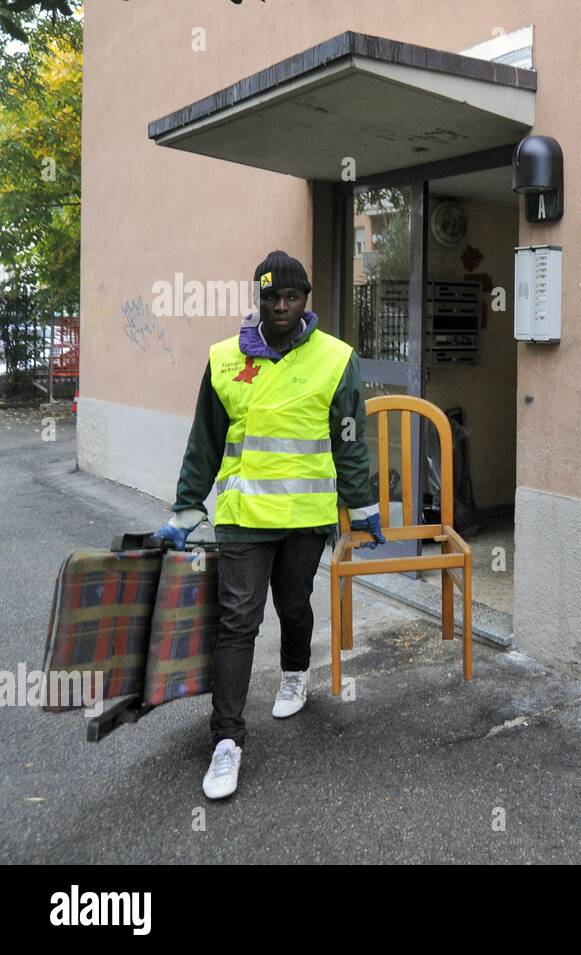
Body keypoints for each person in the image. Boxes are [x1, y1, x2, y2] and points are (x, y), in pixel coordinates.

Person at [156, 250, 386, 800]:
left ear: (306, 299)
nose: (282, 306)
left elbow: (349, 440)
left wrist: (364, 506)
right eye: (271, 297)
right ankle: (227, 741)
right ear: (256, 299)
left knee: (294, 606)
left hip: (307, 518)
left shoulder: (336, 358)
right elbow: (204, 440)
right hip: (243, 516)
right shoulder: (224, 359)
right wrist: (187, 507)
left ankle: (295, 670)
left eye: (292, 297)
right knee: (237, 622)